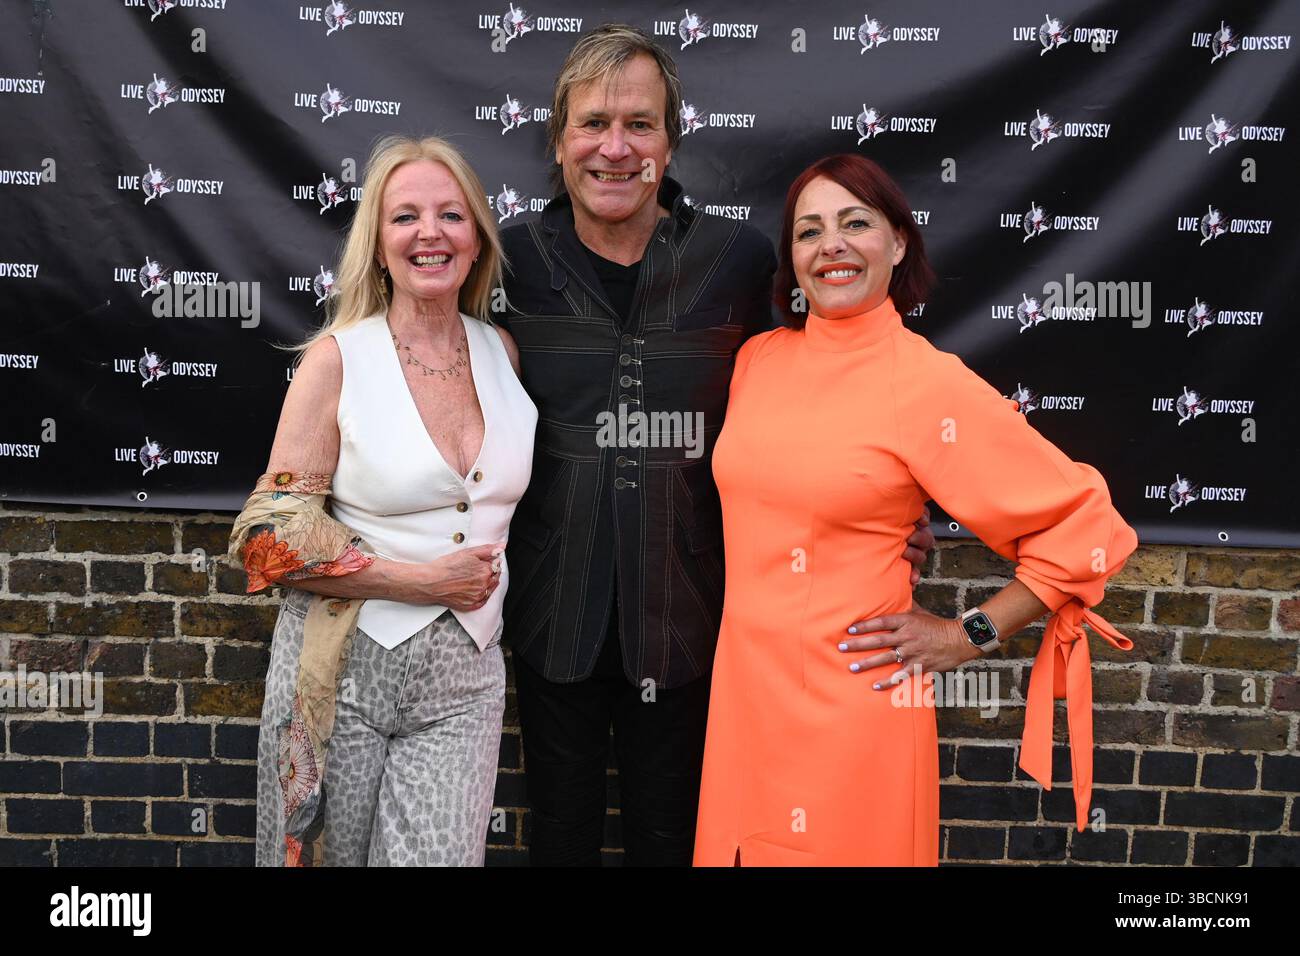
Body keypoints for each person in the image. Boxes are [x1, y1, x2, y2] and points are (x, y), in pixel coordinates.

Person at [495, 26, 934, 866]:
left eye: (640, 124)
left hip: (694, 616)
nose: (615, 148)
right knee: (558, 836)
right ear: (558, 142)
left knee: (680, 840)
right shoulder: (509, 259)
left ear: (671, 139)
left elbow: (810, 392)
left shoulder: (735, 260)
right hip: (554, 609)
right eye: (592, 124)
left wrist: (886, 518)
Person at [692, 153, 1139, 866]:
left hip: (852, 713)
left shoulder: (926, 382)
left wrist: (970, 635)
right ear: (793, 258)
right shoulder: (759, 361)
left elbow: (1089, 528)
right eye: (808, 231)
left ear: (898, 243)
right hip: (744, 709)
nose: (830, 245)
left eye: (855, 223)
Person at [226, 135, 537, 866]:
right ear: (377, 243)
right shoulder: (336, 359)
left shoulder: (502, 351)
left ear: (477, 237)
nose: (430, 233)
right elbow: (266, 540)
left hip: (465, 679)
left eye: (451, 215)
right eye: (405, 217)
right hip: (344, 671)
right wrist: (419, 580)